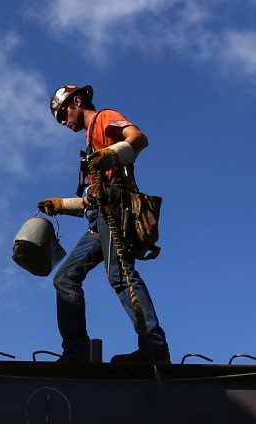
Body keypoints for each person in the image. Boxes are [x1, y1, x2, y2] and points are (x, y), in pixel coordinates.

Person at [38, 82, 171, 364]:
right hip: (99, 218)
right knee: (65, 278)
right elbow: (93, 199)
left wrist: (111, 153)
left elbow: (138, 139)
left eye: (63, 114)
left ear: (76, 103)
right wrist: (62, 205)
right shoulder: (90, 144)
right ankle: (77, 351)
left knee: (120, 275)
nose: (63, 122)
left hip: (115, 212)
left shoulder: (103, 118)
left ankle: (154, 348)